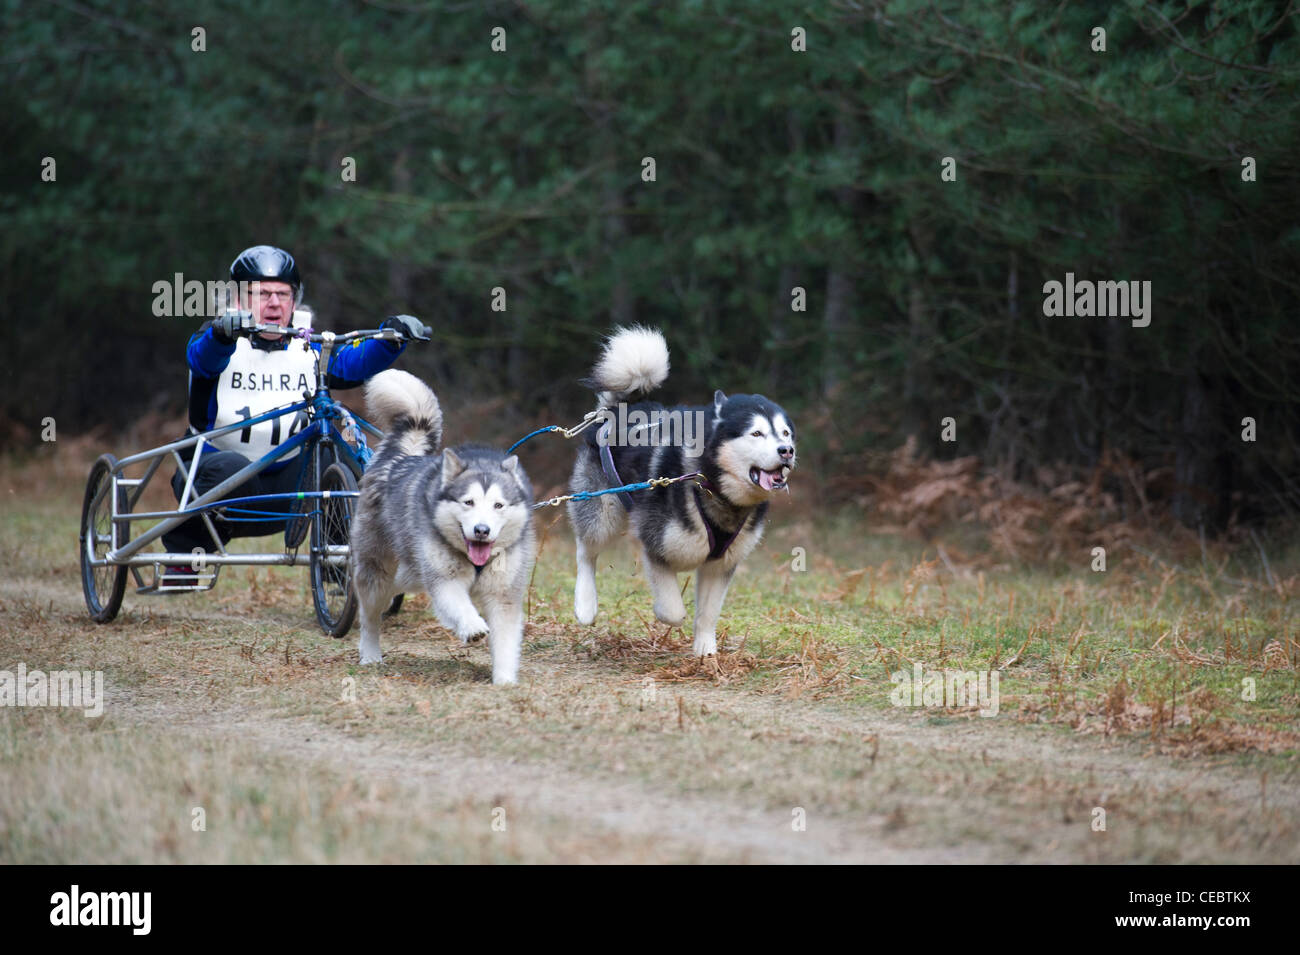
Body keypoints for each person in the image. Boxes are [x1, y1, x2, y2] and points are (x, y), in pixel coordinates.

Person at [160, 245, 423, 578]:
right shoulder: (214, 339)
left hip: (292, 485)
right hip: (220, 477)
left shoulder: (308, 346)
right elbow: (202, 359)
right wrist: (223, 332)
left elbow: (352, 363)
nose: (274, 303)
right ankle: (188, 553)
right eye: (262, 294)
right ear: (239, 300)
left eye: (283, 295)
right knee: (227, 468)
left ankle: (338, 565)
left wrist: (391, 339)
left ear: (294, 301)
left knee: (339, 462)